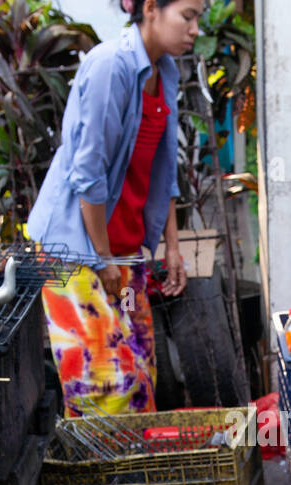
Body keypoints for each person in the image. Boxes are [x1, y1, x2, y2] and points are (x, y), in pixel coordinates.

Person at [26, 0, 196, 417]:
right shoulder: (111, 66)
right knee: (104, 386)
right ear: (151, 8)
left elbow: (162, 169)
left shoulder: (165, 71)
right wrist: (101, 259)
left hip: (124, 248)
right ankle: (92, 483)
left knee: (139, 376)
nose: (194, 29)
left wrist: (171, 246)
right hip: (75, 250)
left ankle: (133, 480)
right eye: (187, 16)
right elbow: (88, 173)